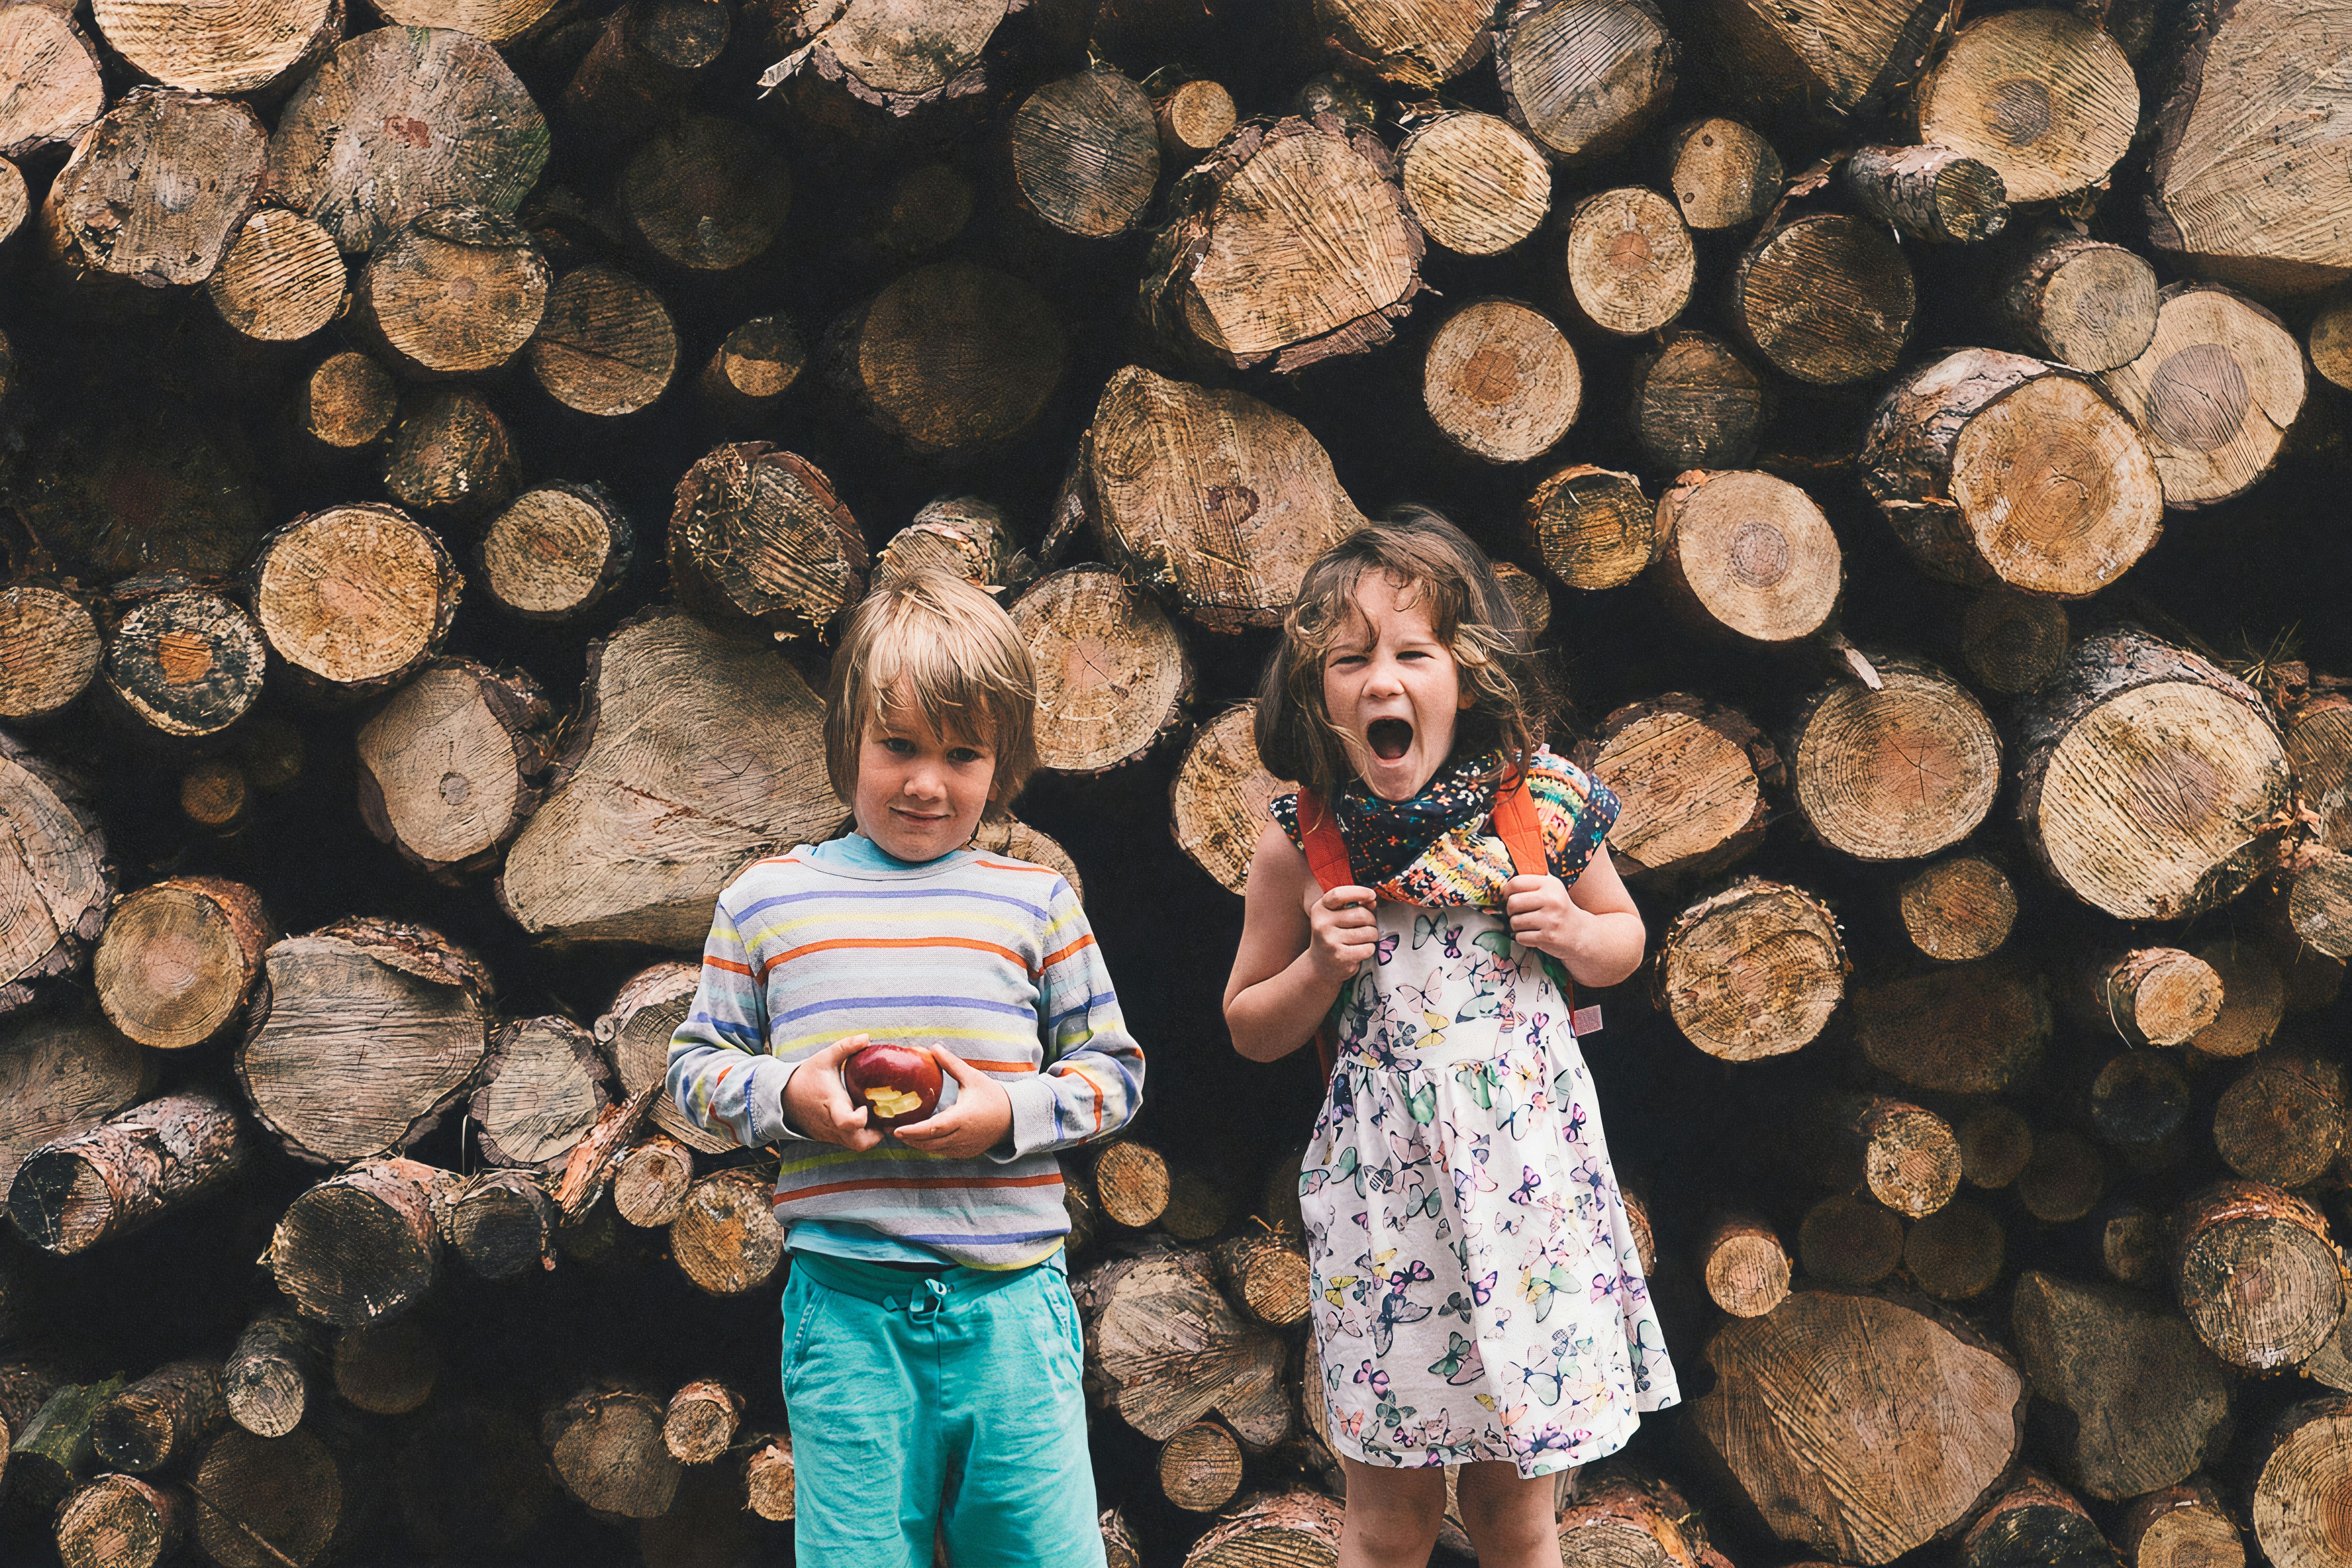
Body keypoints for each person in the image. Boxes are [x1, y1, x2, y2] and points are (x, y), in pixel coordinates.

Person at [1224, 511, 1677, 1568]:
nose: (1383, 679)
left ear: (1464, 678)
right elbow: (1249, 1025)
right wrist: (1316, 969)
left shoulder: (1541, 809)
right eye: (1351, 659)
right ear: (1318, 693)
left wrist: (1572, 929)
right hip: (1388, 1214)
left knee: (1518, 1518)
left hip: (1528, 1197)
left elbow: (1625, 942)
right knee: (1388, 1517)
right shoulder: (1304, 839)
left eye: (1413, 653)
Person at [668, 568, 1143, 1568]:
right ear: (848, 742)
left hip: (1012, 1307)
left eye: (962, 754)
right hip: (848, 1313)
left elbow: (1114, 1071)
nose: (928, 782)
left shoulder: (1035, 902)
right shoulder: (768, 901)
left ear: (1003, 763)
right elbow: (696, 1066)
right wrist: (791, 1096)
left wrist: (1005, 1114)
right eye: (900, 747)